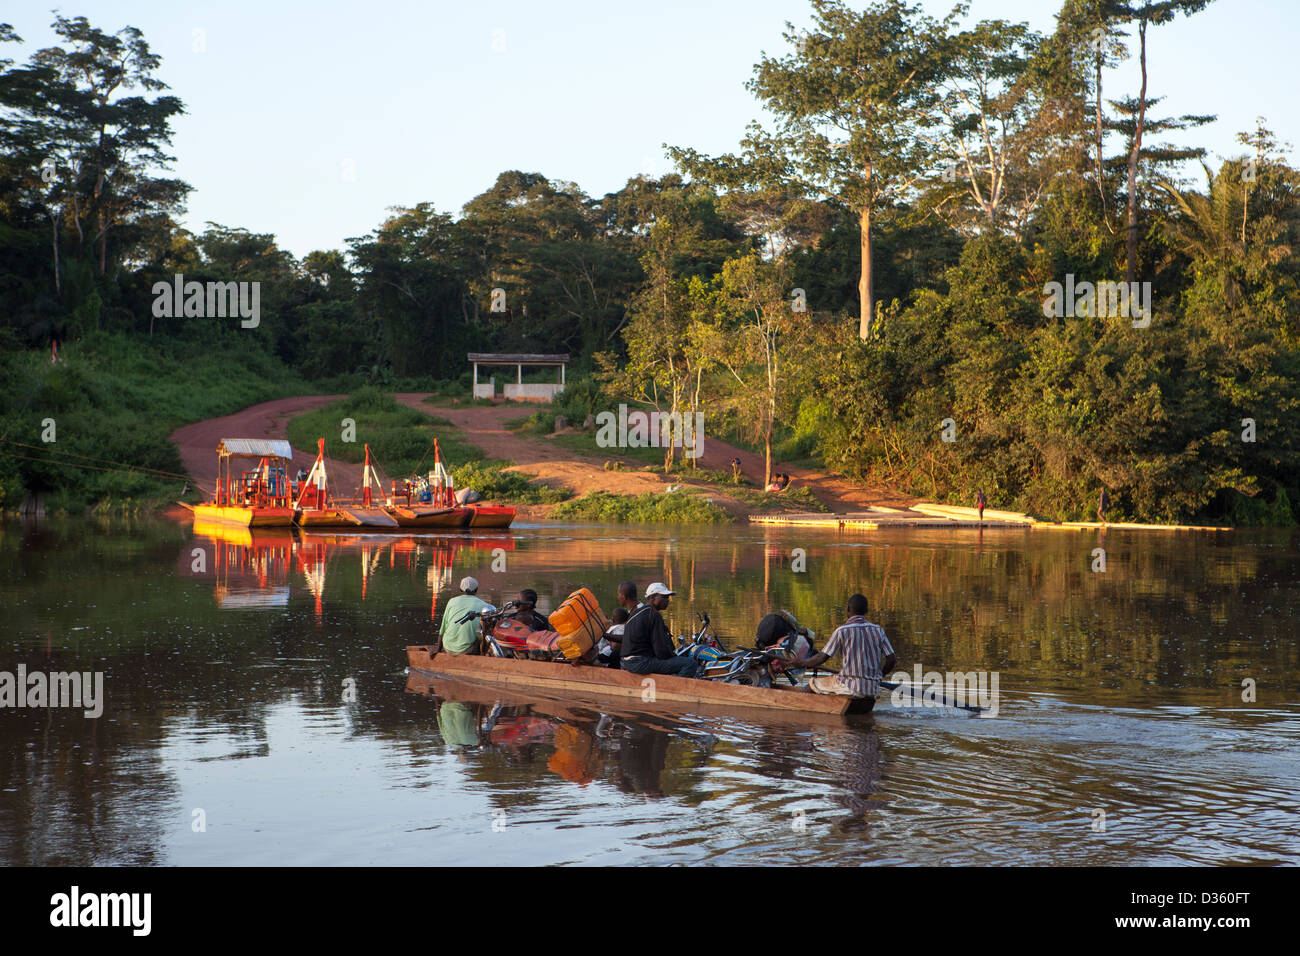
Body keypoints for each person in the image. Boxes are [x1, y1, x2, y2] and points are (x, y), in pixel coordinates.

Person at [790, 594, 896, 711]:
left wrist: (801, 663)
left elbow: (821, 658)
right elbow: (891, 659)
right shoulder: (878, 630)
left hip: (849, 688)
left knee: (811, 685)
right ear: (866, 611)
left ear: (848, 610)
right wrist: (879, 676)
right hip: (872, 690)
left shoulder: (842, 631)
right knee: (831, 682)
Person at [620, 583, 701, 678]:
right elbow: (660, 651)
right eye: (664, 597)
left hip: (629, 661)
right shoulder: (653, 614)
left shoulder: (639, 611)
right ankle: (673, 689)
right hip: (639, 662)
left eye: (668, 597)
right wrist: (673, 657)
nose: (667, 601)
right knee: (690, 664)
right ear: (653, 598)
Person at [439, 576, 491, 655]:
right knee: (484, 632)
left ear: (461, 590)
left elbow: (443, 627)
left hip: (447, 647)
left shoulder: (451, 601)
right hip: (466, 650)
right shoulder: (485, 606)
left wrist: (438, 648)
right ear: (476, 590)